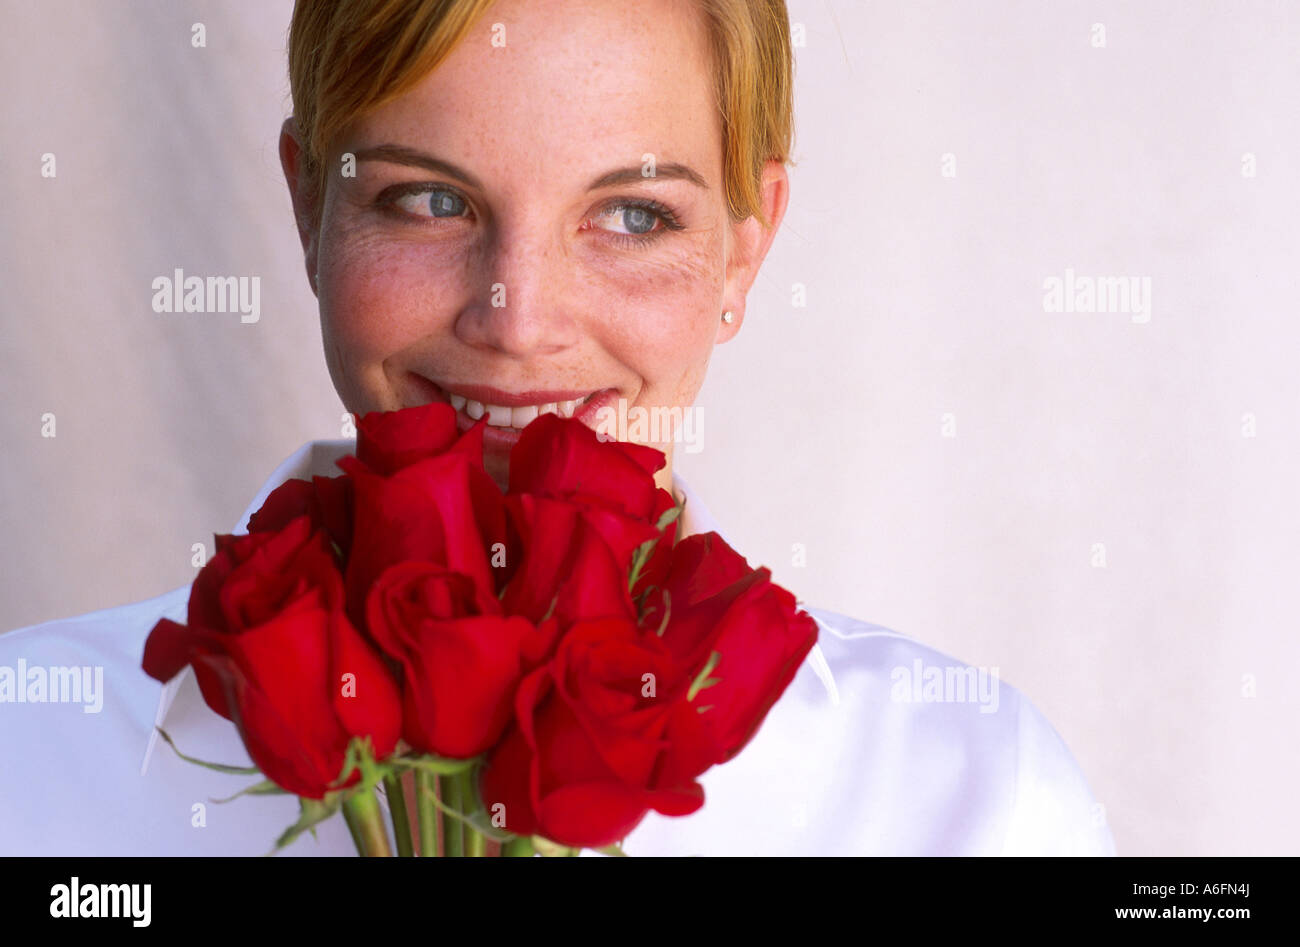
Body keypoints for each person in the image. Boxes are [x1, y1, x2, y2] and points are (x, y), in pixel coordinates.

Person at [0, 0, 1115, 856]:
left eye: (633, 215)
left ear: (744, 247)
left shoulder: (969, 794)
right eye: (428, 200)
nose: (518, 322)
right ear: (309, 208)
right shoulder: (25, 750)